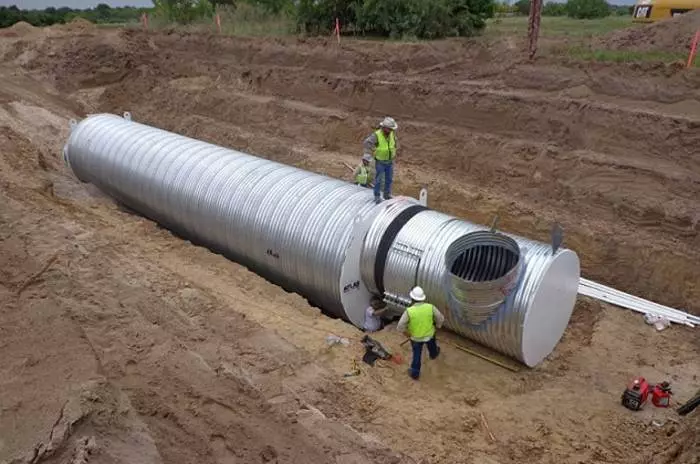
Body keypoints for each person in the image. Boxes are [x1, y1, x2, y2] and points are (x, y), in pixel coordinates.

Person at [396, 286, 444, 380]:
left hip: (416, 338)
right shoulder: (430, 307)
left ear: (413, 298)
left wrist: (406, 333)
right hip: (429, 335)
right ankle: (434, 354)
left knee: (417, 355)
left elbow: (400, 326)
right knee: (432, 346)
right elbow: (440, 318)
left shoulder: (409, 311)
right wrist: (438, 326)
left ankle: (415, 373)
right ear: (423, 298)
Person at [363, 117, 398, 204]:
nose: (391, 130)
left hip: (389, 161)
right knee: (378, 179)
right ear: (384, 128)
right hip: (380, 162)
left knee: (389, 179)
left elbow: (394, 143)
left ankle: (386, 195)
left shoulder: (392, 134)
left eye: (392, 129)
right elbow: (367, 143)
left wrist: (394, 151)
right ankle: (377, 196)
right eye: (389, 129)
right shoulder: (377, 135)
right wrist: (367, 156)